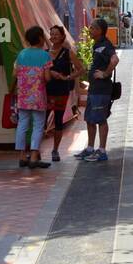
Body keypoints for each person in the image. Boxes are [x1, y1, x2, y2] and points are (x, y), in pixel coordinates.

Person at [77, 17, 119, 162]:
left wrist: (105, 74)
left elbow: (115, 60)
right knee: (89, 119)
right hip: (94, 89)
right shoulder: (96, 45)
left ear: (100, 30)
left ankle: (101, 150)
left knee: (100, 119)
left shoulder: (106, 45)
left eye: (93, 27)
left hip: (102, 89)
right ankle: (90, 148)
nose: (90, 29)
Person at [13, 26, 52, 169]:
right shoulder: (44, 55)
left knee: (22, 124)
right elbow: (47, 77)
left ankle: (22, 155)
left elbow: (15, 73)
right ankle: (34, 156)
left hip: (23, 95)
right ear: (41, 38)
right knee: (38, 125)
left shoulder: (21, 54)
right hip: (38, 96)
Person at [45, 24, 80, 162]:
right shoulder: (45, 53)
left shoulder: (67, 52)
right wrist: (50, 73)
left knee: (58, 119)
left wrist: (68, 77)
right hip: (46, 90)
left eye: (56, 34)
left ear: (62, 36)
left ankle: (55, 150)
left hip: (61, 91)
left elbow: (81, 69)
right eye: (51, 34)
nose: (53, 36)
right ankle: (36, 150)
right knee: (42, 119)